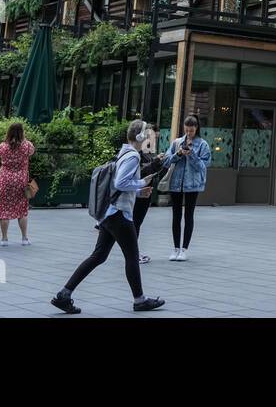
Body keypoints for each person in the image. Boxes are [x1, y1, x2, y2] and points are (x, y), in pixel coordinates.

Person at [51, 119, 165, 314]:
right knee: (131, 256)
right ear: (139, 136)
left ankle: (64, 294)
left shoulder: (124, 153)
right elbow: (121, 183)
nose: (148, 137)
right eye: (146, 134)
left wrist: (138, 192)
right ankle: (139, 300)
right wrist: (139, 185)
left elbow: (118, 184)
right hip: (119, 214)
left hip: (110, 213)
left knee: (98, 256)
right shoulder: (133, 157)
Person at [165, 115, 211, 261]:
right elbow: (167, 161)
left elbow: (203, 167)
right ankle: (175, 248)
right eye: (186, 130)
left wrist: (191, 154)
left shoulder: (202, 144)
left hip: (192, 185)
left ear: (196, 129)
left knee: (188, 215)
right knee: (176, 216)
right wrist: (178, 153)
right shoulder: (177, 142)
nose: (189, 133)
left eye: (191, 130)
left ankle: (184, 249)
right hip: (176, 184)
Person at [0, 123, 34, 247]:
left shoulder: (3, 147)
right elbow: (31, 151)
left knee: (4, 209)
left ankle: (4, 239)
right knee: (21, 210)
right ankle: (24, 238)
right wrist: (23, 138)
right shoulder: (26, 146)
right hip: (20, 180)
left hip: (4, 179)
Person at [133, 127, 167, 264]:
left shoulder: (147, 152)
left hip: (145, 193)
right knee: (134, 223)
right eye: (152, 137)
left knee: (136, 223)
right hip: (138, 193)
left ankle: (133, 252)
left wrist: (159, 162)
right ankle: (133, 253)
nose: (154, 141)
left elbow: (151, 169)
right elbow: (141, 173)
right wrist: (155, 162)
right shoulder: (137, 154)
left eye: (156, 138)